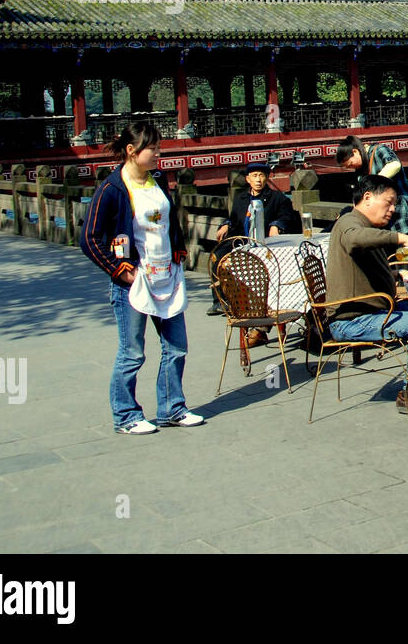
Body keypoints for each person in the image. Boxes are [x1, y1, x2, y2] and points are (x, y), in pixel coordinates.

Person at [80, 122, 204, 434]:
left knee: (176, 347)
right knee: (132, 352)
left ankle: (172, 408)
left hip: (166, 276)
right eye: (153, 149)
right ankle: (126, 415)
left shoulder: (158, 180)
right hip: (133, 283)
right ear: (132, 152)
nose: (159, 154)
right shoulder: (112, 189)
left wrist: (177, 249)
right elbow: (89, 238)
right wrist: (119, 268)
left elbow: (169, 222)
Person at [325, 174, 408, 415]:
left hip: (374, 309)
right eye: (388, 202)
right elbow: (356, 240)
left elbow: (376, 263)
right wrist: (401, 237)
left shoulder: (366, 226)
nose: (392, 209)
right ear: (367, 198)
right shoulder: (349, 223)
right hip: (352, 319)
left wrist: (399, 275)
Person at [213, 162, 294, 338]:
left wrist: (276, 225)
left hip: (264, 242)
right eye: (255, 176)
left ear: (267, 178)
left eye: (262, 175)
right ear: (248, 179)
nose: (258, 180)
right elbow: (233, 218)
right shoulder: (241, 198)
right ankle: (221, 301)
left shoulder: (277, 198)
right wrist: (226, 225)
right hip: (241, 239)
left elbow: (287, 216)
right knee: (217, 256)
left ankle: (263, 316)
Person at [335, 136, 408, 237]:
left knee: (407, 247)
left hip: (400, 210)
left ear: (355, 152)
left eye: (350, 164)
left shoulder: (379, 150)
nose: (351, 168)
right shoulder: (360, 170)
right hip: (383, 216)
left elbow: (394, 165)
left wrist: (374, 182)